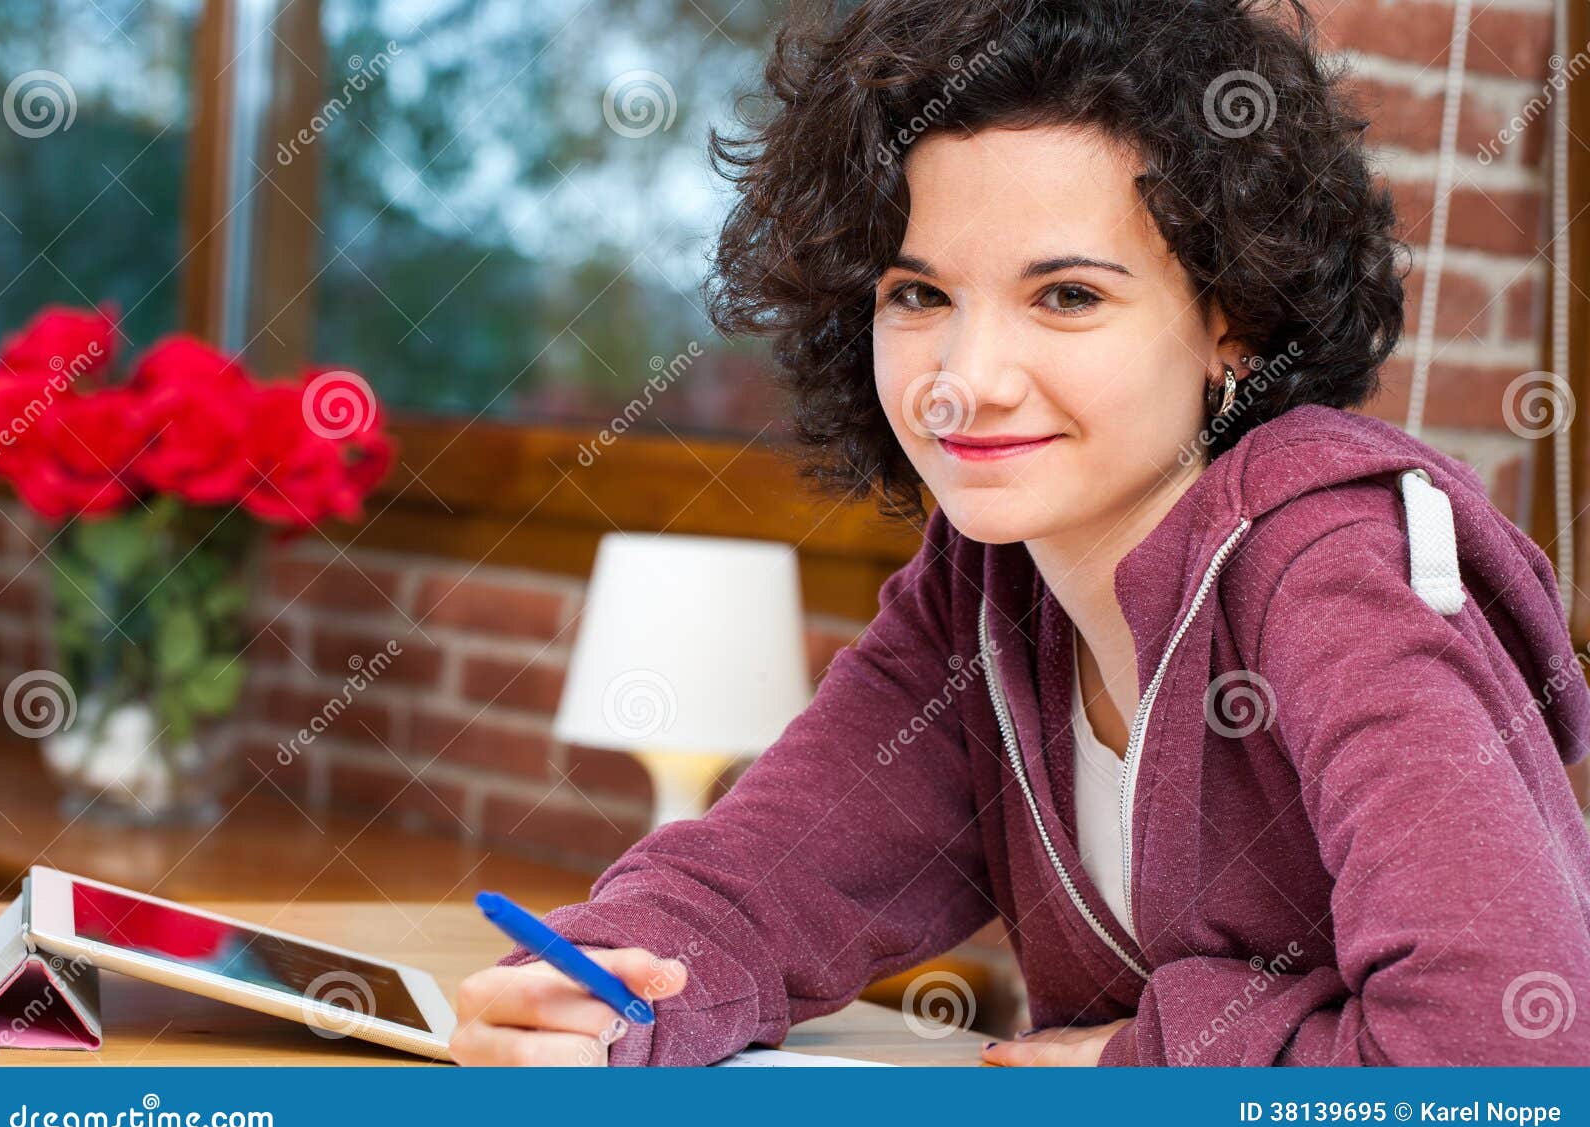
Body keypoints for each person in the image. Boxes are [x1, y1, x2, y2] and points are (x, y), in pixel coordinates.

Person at [449, 0, 1590, 1066]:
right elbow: (767, 878)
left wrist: (1133, 1057)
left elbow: (1507, 1051)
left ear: (1229, 325)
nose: (966, 382)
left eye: (1067, 297)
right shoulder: (986, 585)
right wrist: (598, 987)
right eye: (918, 294)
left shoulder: (1334, 570)